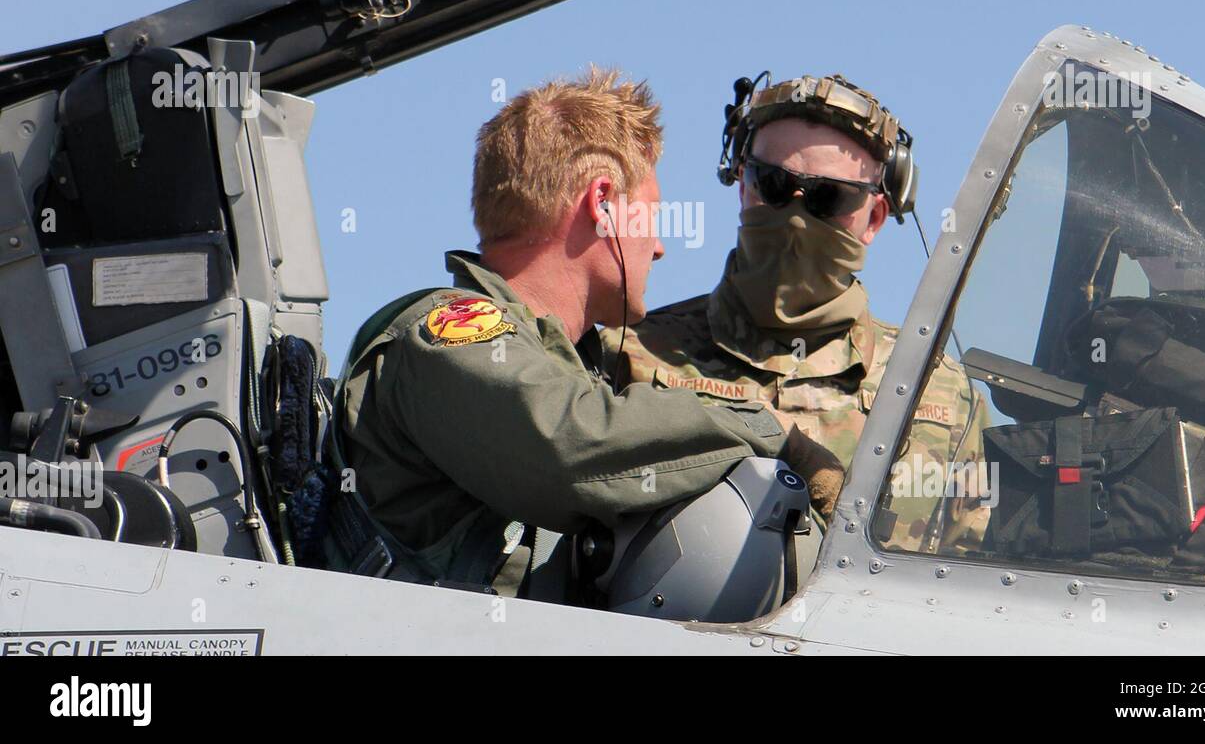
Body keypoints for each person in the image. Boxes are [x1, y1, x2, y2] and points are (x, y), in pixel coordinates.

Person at [325, 68, 843, 591]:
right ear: (601, 203)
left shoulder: (566, 365)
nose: (658, 246)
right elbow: (569, 446)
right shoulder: (444, 332)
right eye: (650, 216)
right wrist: (767, 432)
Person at [602, 74, 990, 553]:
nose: (796, 216)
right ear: (743, 187)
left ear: (874, 218)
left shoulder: (944, 397)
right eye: (775, 184)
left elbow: (968, 580)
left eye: (831, 196)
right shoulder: (629, 354)